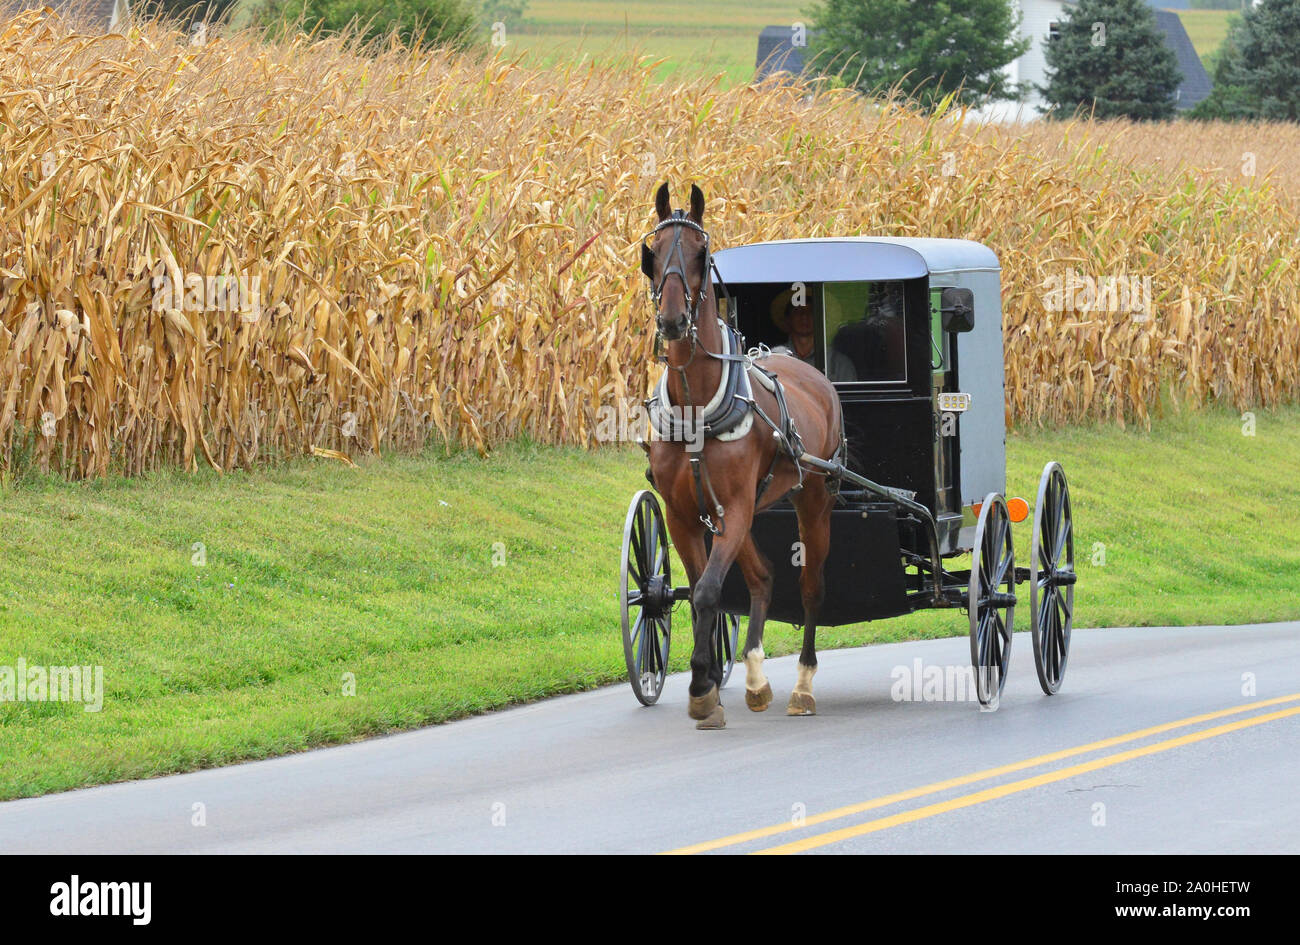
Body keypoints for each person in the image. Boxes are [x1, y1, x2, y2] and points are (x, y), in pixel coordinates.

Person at [770, 293, 856, 382]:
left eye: (811, 311)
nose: (804, 316)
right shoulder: (774, 358)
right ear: (788, 319)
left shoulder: (840, 364)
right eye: (797, 310)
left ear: (821, 318)